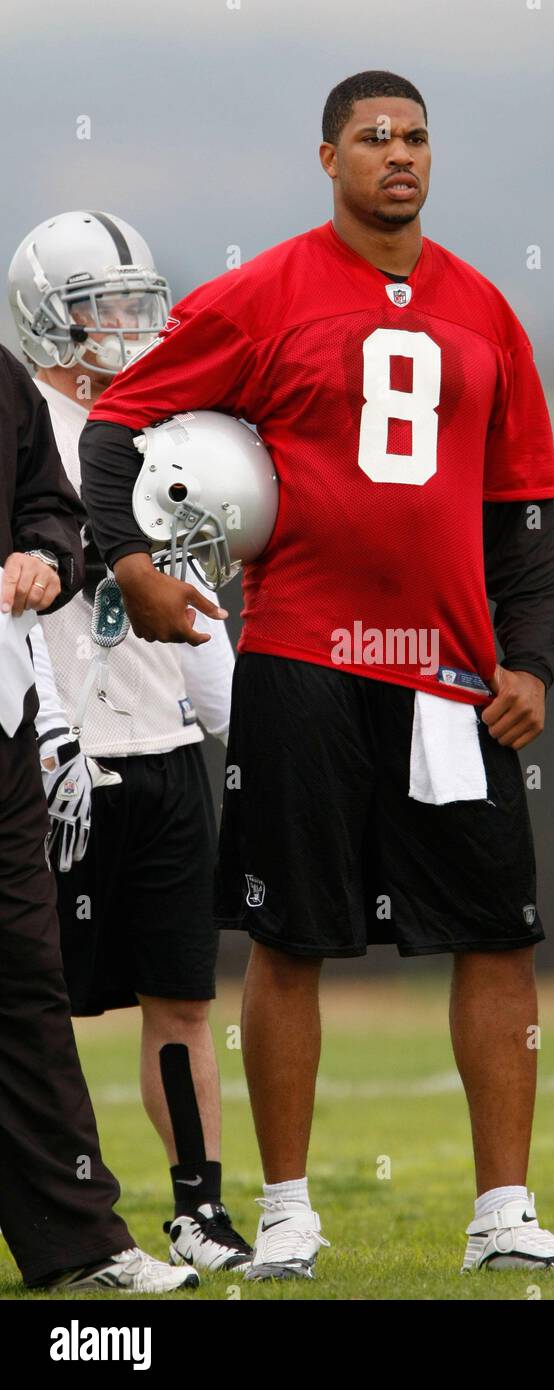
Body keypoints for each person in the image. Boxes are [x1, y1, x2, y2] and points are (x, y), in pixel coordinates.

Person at [79, 71, 554, 1278]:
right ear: (328, 160)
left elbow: (521, 509)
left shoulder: (483, 309)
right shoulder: (265, 292)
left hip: (449, 678)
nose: (398, 155)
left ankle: (504, 1212)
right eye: (373, 138)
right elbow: (119, 427)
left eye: (415, 137)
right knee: (288, 936)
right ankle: (286, 1212)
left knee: (498, 935)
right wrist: (131, 564)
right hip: (302, 662)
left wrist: (530, 658)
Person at [7, 210, 252, 1273]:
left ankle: (195, 1206)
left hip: (158, 743)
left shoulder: (164, 431)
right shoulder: (27, 429)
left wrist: (235, 726)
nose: (121, 325)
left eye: (133, 303)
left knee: (183, 996)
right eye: (97, 306)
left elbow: (197, 595)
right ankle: (64, 1214)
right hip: (53, 757)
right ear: (42, 314)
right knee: (28, 999)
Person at [0, 342, 198, 1292]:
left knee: (25, 983)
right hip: (44, 724)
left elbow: (50, 508)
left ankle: (80, 1247)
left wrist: (42, 557)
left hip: (5, 726)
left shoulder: (0, 381)